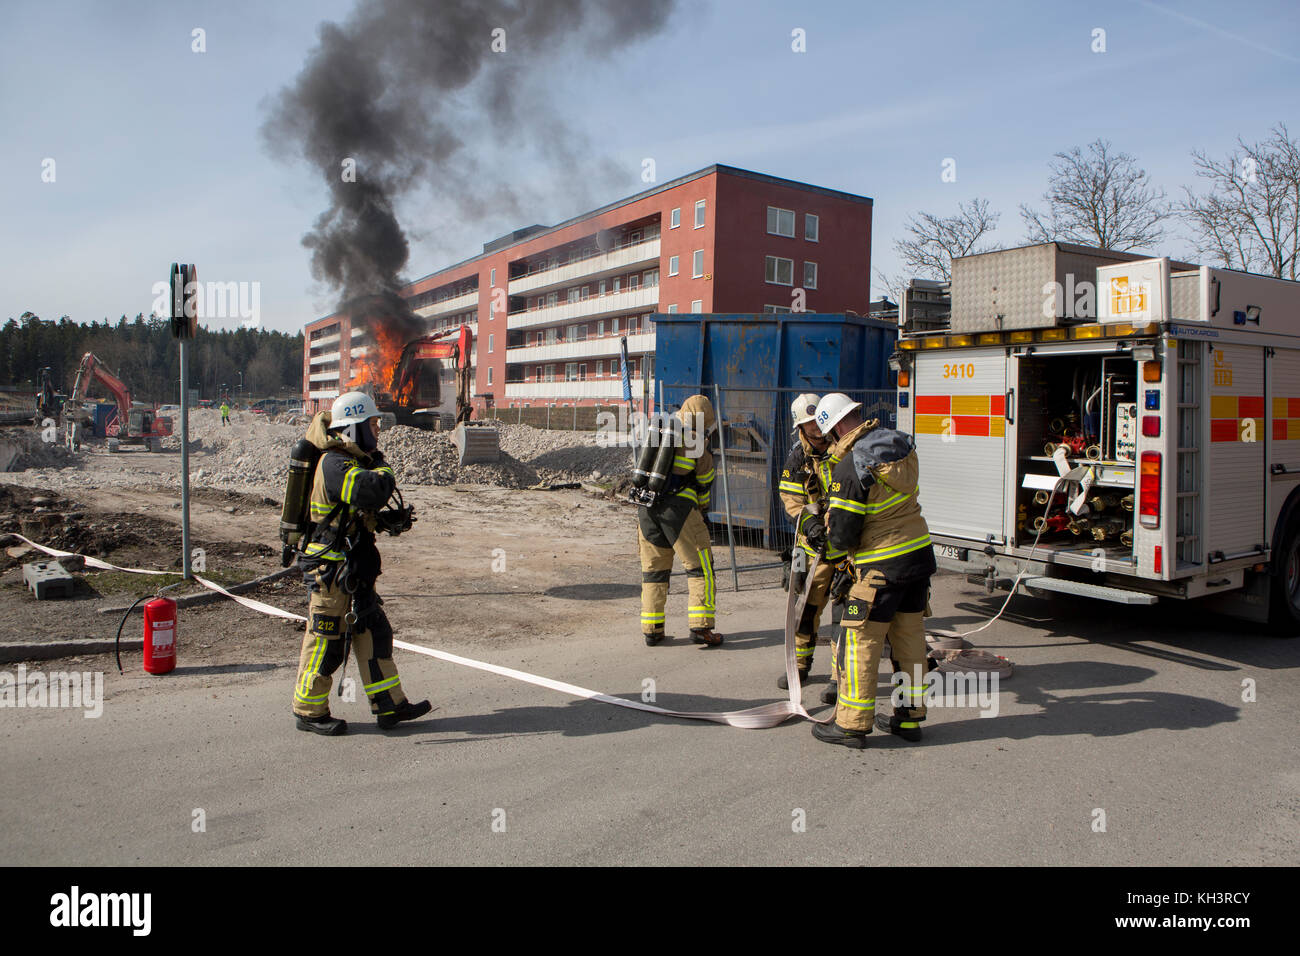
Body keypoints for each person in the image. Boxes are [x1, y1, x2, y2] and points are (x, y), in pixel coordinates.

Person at [291, 390, 431, 735]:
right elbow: (369, 489)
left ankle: (389, 705)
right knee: (327, 643)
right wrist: (381, 465)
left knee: (373, 634)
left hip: (353, 571)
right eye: (372, 424)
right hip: (332, 574)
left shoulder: (350, 460)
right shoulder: (335, 462)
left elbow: (354, 514)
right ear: (353, 428)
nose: (377, 430)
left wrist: (386, 522)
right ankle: (308, 711)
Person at [809, 393, 936, 749]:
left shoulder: (851, 466)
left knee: (858, 641)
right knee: (909, 641)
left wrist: (825, 538)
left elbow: (845, 534)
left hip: (879, 567)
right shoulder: (900, 449)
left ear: (834, 429)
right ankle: (910, 720)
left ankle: (851, 725)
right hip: (917, 560)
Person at [637, 394, 723, 647]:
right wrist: (703, 509)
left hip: (647, 509)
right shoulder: (696, 440)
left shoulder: (661, 431)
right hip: (680, 511)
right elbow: (705, 481)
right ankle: (701, 627)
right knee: (700, 568)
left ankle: (652, 630)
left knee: (654, 571)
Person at [776, 393, 841, 692]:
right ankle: (800, 666)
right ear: (800, 428)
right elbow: (790, 499)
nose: (816, 429)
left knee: (844, 613)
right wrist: (810, 524)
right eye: (808, 424)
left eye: (819, 422)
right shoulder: (796, 457)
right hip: (808, 545)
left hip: (844, 544)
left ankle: (839, 678)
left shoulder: (844, 447)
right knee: (803, 606)